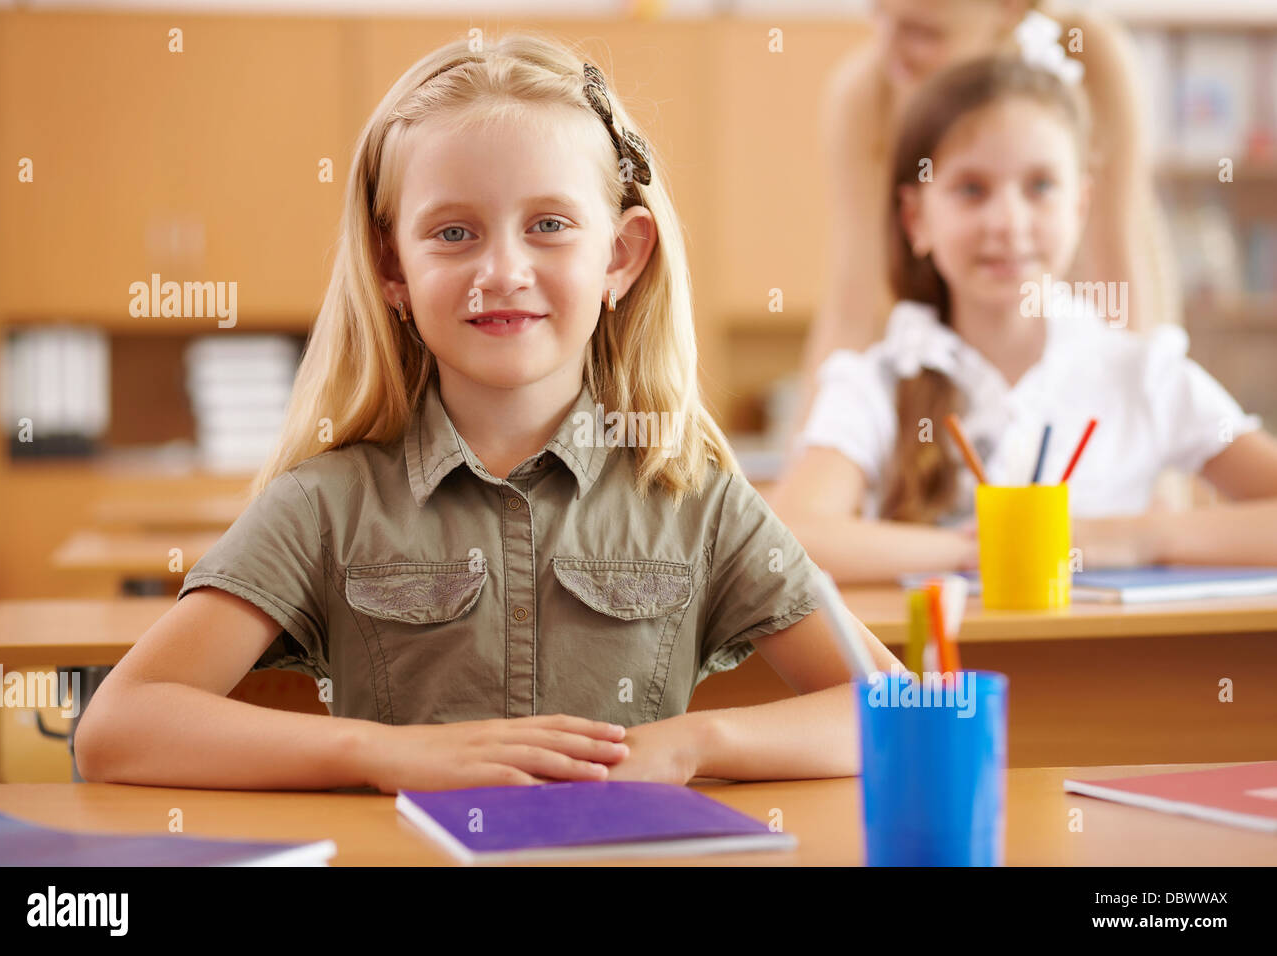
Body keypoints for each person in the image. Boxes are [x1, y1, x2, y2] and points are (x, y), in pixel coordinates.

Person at [75, 33, 901, 794]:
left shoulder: (695, 496)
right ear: (391, 270)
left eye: (548, 225)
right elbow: (115, 728)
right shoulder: (323, 503)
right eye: (453, 233)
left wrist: (698, 743)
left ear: (620, 256)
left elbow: (901, 717)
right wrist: (385, 755)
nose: (502, 270)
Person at [771, 56, 1277, 584]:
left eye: (1039, 187)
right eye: (971, 189)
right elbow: (787, 540)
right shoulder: (876, 382)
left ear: (1079, 208)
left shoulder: (1142, 374)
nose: (1007, 223)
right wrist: (981, 548)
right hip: (940, 669)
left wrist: (1142, 536)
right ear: (916, 218)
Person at [790, 0, 1179, 440]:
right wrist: (811, 445)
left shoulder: (1092, 59)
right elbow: (849, 308)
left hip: (1074, 341)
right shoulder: (865, 93)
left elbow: (1119, 273)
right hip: (953, 366)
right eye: (880, 17)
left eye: (925, 33)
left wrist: (1147, 445)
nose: (889, 51)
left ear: (1012, 9)